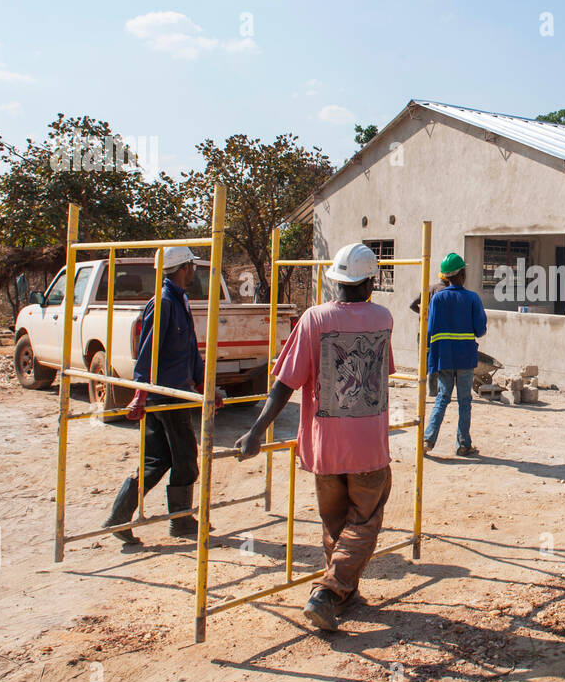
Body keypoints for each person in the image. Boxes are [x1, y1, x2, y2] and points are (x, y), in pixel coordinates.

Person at [235, 242, 395, 632]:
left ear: (335, 280)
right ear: (370, 281)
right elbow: (383, 371)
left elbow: (285, 383)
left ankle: (343, 594)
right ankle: (327, 592)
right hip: (369, 446)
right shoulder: (383, 318)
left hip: (326, 448)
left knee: (335, 524)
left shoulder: (313, 318)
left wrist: (257, 430)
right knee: (365, 520)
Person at [103, 247, 223, 545]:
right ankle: (180, 521)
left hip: (176, 392)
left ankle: (119, 516)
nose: (194, 270)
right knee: (184, 459)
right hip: (165, 395)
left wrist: (205, 387)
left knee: (158, 460)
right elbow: (147, 354)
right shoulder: (163, 303)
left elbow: (190, 351)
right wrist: (140, 395)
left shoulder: (179, 299)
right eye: (192, 266)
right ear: (184, 268)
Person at [424, 253, 487, 456]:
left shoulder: (438, 298)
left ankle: (428, 440)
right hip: (465, 357)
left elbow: (430, 330)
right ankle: (463, 443)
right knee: (464, 401)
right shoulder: (471, 298)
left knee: (442, 398)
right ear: (462, 273)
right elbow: (480, 329)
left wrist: (429, 357)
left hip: (444, 357)